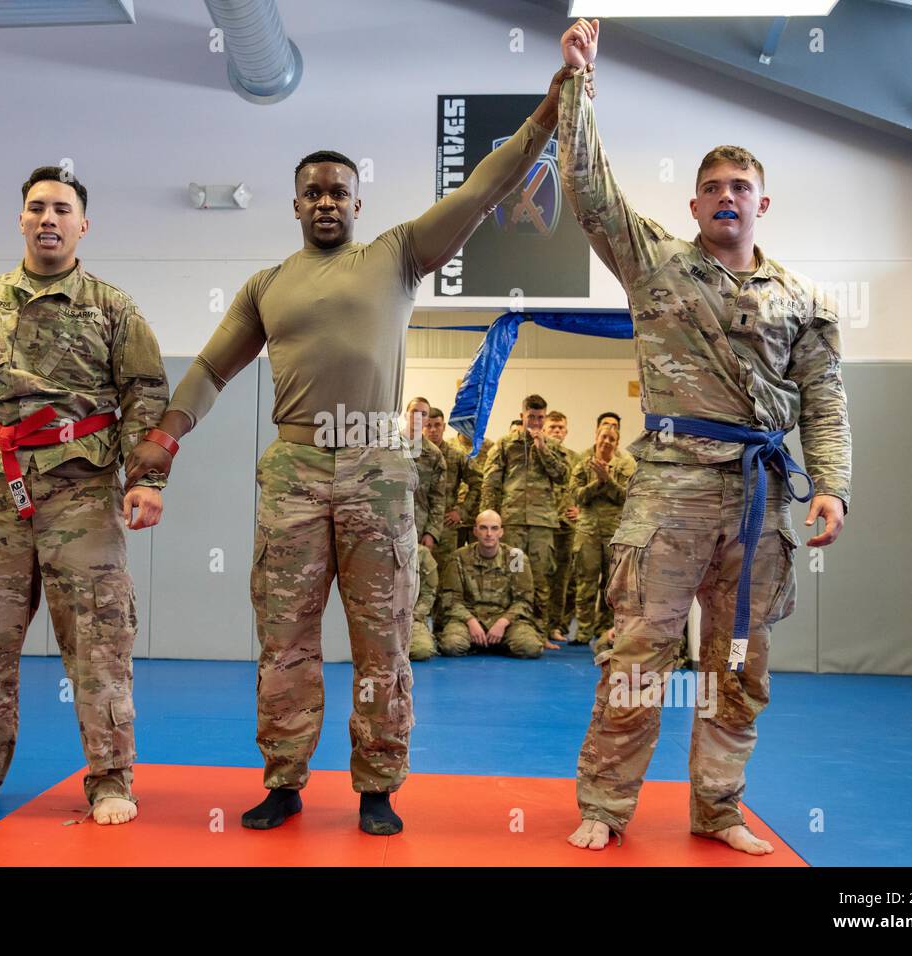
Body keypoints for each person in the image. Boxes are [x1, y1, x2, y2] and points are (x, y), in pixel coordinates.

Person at [125, 67, 585, 836]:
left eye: (340, 190)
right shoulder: (265, 287)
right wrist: (166, 437)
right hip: (296, 470)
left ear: (357, 203)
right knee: (285, 638)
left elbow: (479, 190)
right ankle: (285, 778)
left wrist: (545, 112)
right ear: (297, 203)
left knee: (383, 640)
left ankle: (378, 785)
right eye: (314, 191)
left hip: (376, 468)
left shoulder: (399, 254)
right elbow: (210, 370)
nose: (328, 201)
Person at [557, 20, 850, 854]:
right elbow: (588, 188)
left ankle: (719, 809)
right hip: (671, 487)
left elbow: (825, 400)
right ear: (694, 204)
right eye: (713, 186)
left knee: (740, 662)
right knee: (638, 652)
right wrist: (579, 84)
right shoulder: (654, 264)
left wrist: (830, 483)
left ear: (762, 202)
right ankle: (607, 806)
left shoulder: (802, 301)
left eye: (741, 186)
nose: (727, 196)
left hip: (758, 496)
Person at [0, 166, 169, 826]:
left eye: (61, 209)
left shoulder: (115, 309)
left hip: (83, 494)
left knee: (99, 640)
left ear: (84, 225)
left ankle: (111, 779)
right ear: (20, 220)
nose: (48, 218)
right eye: (36, 208)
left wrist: (146, 479)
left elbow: (147, 397)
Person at [479, 394, 569, 645]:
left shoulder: (553, 446)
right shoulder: (506, 445)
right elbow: (491, 483)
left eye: (541, 418)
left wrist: (542, 449)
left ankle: (539, 634)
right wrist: (489, 520)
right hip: (514, 522)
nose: (536, 423)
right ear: (522, 416)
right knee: (515, 576)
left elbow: (563, 476)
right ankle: (510, 631)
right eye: (531, 417)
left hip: (542, 524)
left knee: (541, 579)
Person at [568, 412, 635, 648]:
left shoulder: (626, 464)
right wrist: (598, 483)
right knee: (585, 582)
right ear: (596, 436)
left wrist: (608, 480)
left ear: (617, 443)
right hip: (587, 531)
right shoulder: (582, 464)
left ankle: (604, 629)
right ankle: (583, 631)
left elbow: (628, 497)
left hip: (614, 533)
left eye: (612, 439)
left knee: (611, 585)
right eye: (603, 437)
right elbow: (576, 496)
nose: (606, 442)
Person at [437, 511, 542, 659]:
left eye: (494, 528)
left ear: (501, 532)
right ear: (475, 531)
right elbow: (451, 599)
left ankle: (494, 642)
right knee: (451, 645)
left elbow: (524, 600)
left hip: (505, 620)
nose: (488, 534)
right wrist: (471, 621)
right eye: (483, 528)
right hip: (469, 619)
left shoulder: (515, 558)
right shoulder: (458, 557)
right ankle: (487, 642)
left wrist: (503, 622)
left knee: (530, 647)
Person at [403, 397, 447, 661]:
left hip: (418, 528)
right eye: (415, 412)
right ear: (406, 414)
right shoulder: (389, 446)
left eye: (425, 415)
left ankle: (417, 628)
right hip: (389, 529)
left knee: (420, 581)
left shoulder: (433, 454)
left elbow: (438, 498)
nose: (419, 418)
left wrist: (432, 532)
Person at [544, 410, 581, 643]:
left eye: (561, 428)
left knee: (561, 580)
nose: (557, 431)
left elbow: (581, 488)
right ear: (544, 430)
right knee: (540, 577)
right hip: (543, 524)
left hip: (566, 526)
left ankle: (555, 625)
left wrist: (580, 509)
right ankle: (537, 625)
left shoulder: (575, 458)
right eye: (552, 427)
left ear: (566, 431)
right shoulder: (538, 453)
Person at [425, 406, 465, 578]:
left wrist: (461, 510)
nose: (433, 430)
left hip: (445, 527)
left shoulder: (456, 456)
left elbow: (478, 483)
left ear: (444, 427)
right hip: (419, 524)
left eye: (437, 425)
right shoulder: (414, 454)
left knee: (445, 577)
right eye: (429, 425)